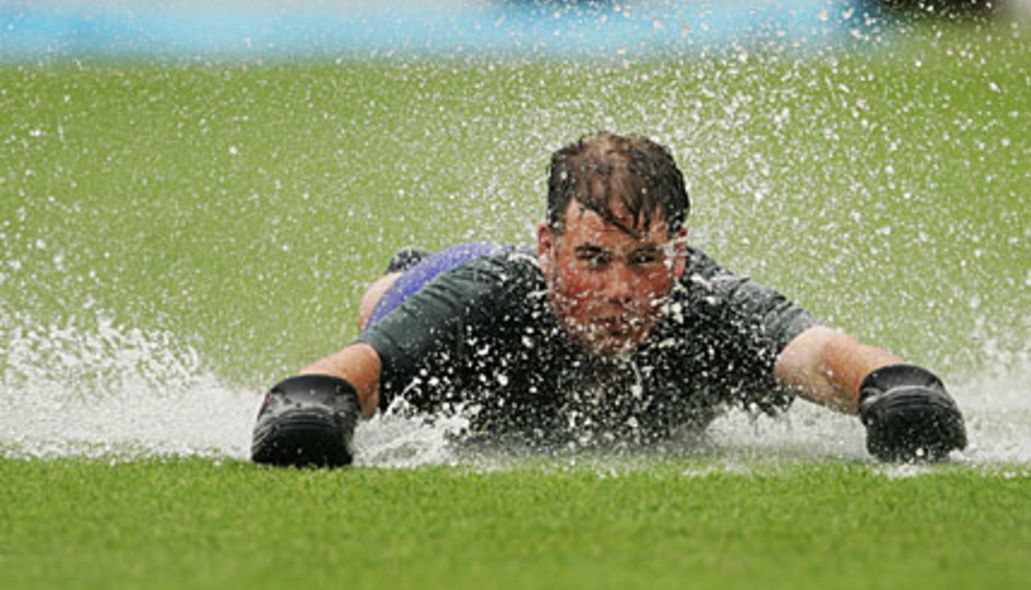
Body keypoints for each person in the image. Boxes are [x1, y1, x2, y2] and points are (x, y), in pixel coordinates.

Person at [251, 133, 966, 466]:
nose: (620, 291)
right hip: (455, 272)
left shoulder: (705, 297)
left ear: (676, 254)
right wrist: (317, 406)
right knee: (388, 299)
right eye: (591, 259)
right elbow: (322, 389)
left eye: (645, 260)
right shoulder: (489, 295)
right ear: (549, 246)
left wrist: (893, 387)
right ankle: (403, 270)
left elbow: (819, 353)